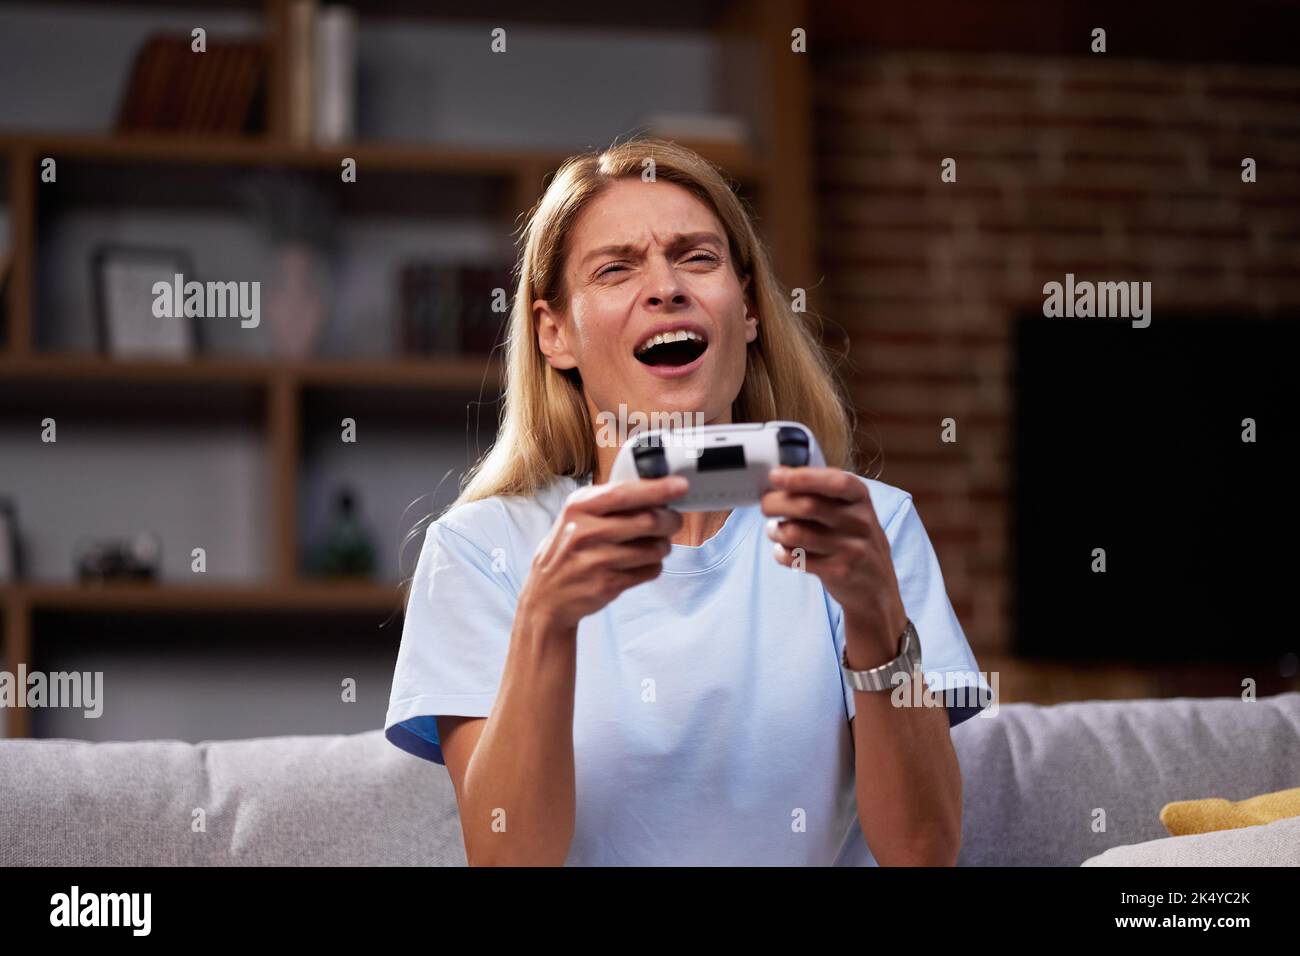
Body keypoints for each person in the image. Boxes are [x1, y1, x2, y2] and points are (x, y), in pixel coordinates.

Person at [384, 138, 992, 866]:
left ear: (749, 311)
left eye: (697, 259)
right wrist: (545, 621)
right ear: (554, 334)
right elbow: (510, 859)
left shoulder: (864, 524)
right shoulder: (480, 549)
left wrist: (875, 614)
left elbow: (924, 853)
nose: (666, 287)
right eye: (616, 268)